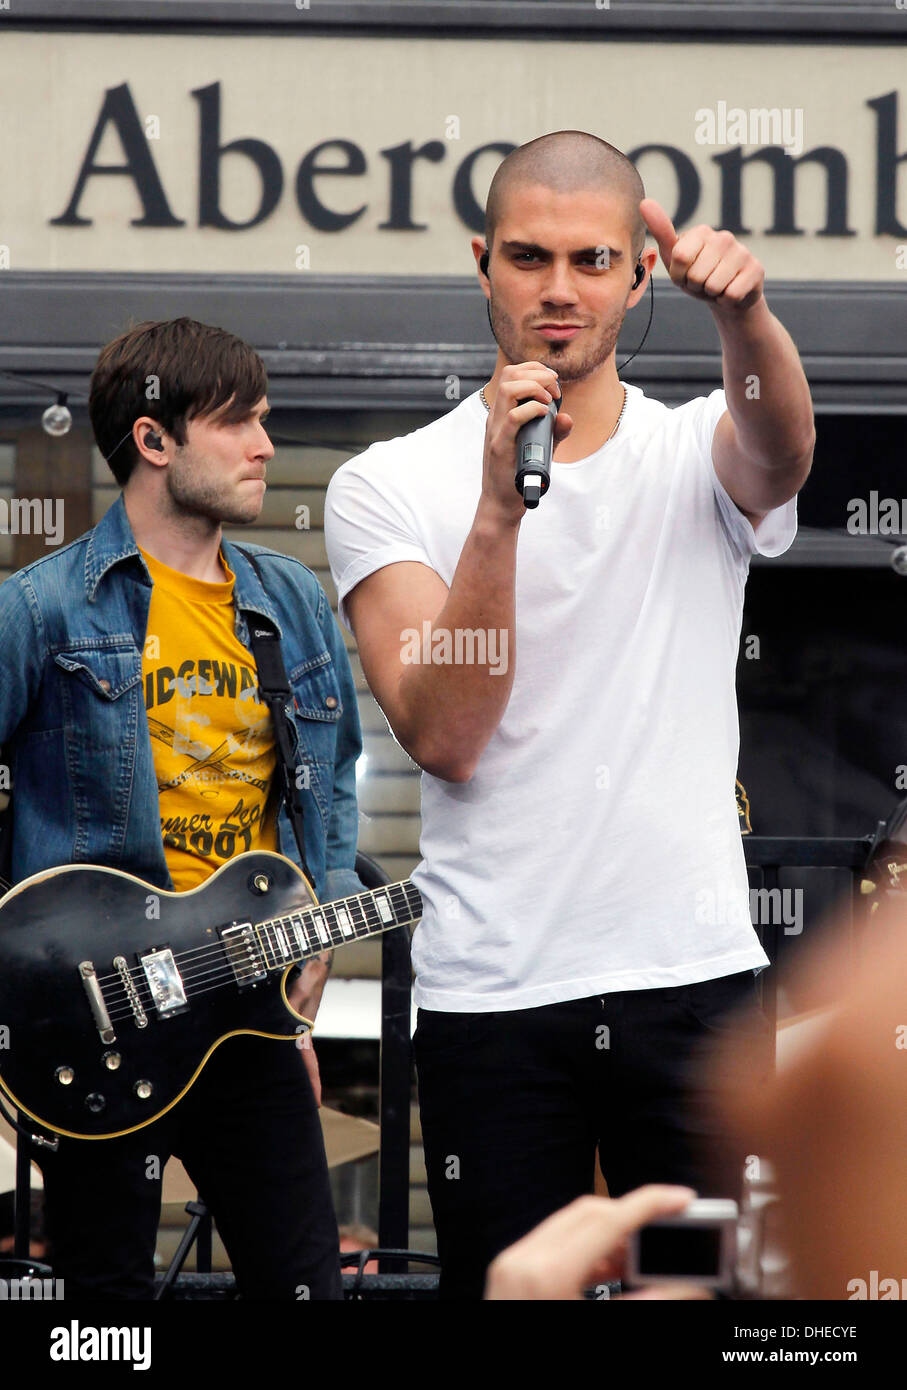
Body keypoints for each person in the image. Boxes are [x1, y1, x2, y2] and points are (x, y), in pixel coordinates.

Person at [324, 130, 815, 1299]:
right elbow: (443, 736)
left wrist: (744, 319)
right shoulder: (385, 482)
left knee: (703, 1298)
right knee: (510, 1292)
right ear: (481, 263)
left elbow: (784, 451)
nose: (559, 289)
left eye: (593, 260)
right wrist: (497, 514)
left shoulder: (693, 447)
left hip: (686, 989)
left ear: (639, 278)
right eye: (530, 258)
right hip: (493, 1001)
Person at [0, 317, 364, 1299]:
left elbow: (327, 786)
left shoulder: (289, 604)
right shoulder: (41, 609)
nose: (265, 448)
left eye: (265, 421)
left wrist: (314, 949)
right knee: (107, 1308)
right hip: (93, 1022)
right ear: (154, 440)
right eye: (238, 423)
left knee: (305, 1288)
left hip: (245, 1015)